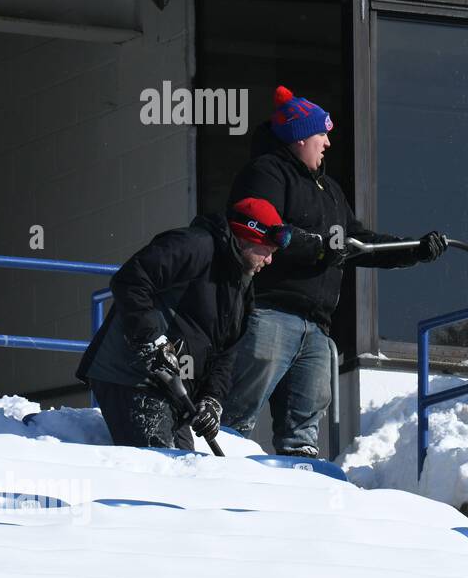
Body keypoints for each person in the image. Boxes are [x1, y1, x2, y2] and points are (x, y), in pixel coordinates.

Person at [223, 86, 446, 457]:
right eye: (321, 134)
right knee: (237, 412)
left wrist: (413, 250)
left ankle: (300, 482)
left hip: (318, 327)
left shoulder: (330, 190)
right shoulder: (267, 174)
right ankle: (214, 470)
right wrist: (321, 248)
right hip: (270, 313)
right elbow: (263, 230)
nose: (327, 142)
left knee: (304, 431)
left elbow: (360, 242)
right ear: (298, 137)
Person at [77, 198, 288, 450]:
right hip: (132, 376)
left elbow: (226, 352)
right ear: (247, 237)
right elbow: (130, 281)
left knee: (187, 471)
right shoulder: (195, 245)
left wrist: (212, 399)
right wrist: (151, 340)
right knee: (163, 468)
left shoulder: (240, 286)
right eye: (267, 250)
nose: (269, 261)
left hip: (174, 391)